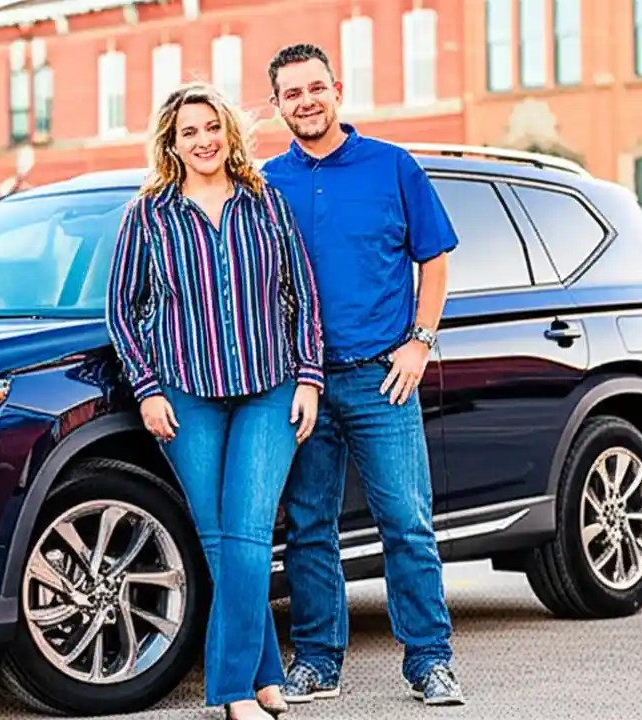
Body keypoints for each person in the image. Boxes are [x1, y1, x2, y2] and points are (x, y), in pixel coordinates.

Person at [105, 81, 326, 720]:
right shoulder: (147, 215)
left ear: (229, 131)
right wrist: (147, 390)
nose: (202, 141)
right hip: (185, 394)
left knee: (250, 533)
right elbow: (123, 311)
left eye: (210, 128)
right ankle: (264, 676)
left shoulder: (266, 203)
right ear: (171, 145)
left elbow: (302, 296)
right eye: (187, 133)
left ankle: (230, 693)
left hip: (270, 387)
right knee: (223, 544)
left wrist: (309, 377)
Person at [259, 44, 466, 707]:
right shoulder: (266, 184)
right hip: (303, 385)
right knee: (311, 524)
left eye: (315, 88)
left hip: (383, 376)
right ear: (278, 105)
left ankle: (430, 661)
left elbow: (433, 260)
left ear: (337, 89)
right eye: (292, 93)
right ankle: (318, 661)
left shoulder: (392, 167)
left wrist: (420, 343)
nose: (306, 101)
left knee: (405, 521)